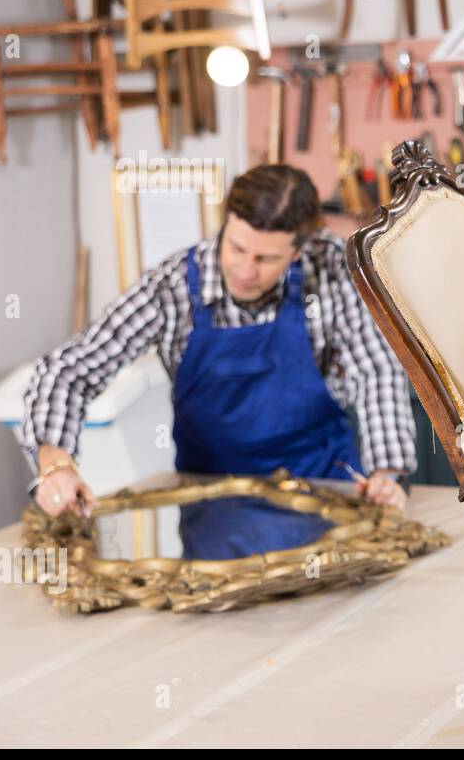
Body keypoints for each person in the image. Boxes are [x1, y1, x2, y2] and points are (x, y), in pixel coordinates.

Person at [22, 164, 418, 556]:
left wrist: (387, 471)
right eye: (237, 248)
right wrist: (55, 461)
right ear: (224, 224)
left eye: (266, 259)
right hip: (215, 506)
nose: (246, 271)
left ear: (299, 249)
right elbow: (67, 371)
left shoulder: (330, 265)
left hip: (325, 489)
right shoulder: (171, 286)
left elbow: (375, 369)